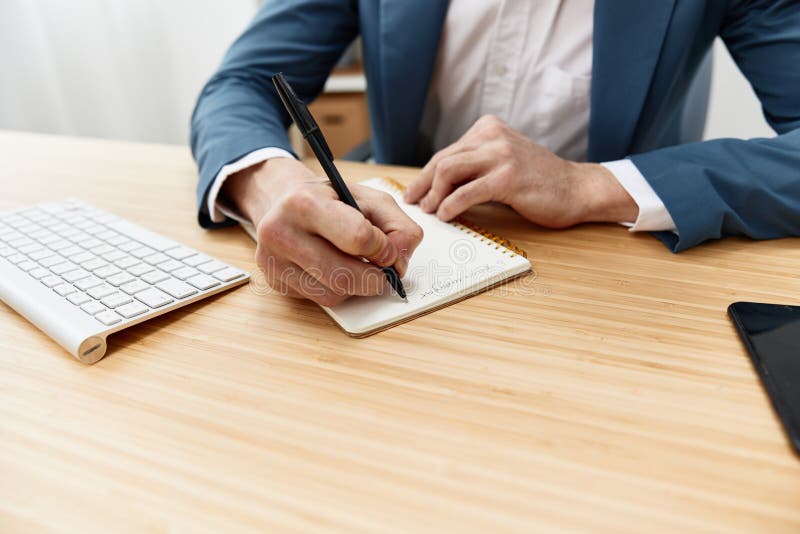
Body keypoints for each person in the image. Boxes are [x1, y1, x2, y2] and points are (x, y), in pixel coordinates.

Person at [191, 0, 800, 306]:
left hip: (610, 282)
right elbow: (242, 84)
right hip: (404, 247)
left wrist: (587, 185)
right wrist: (275, 186)